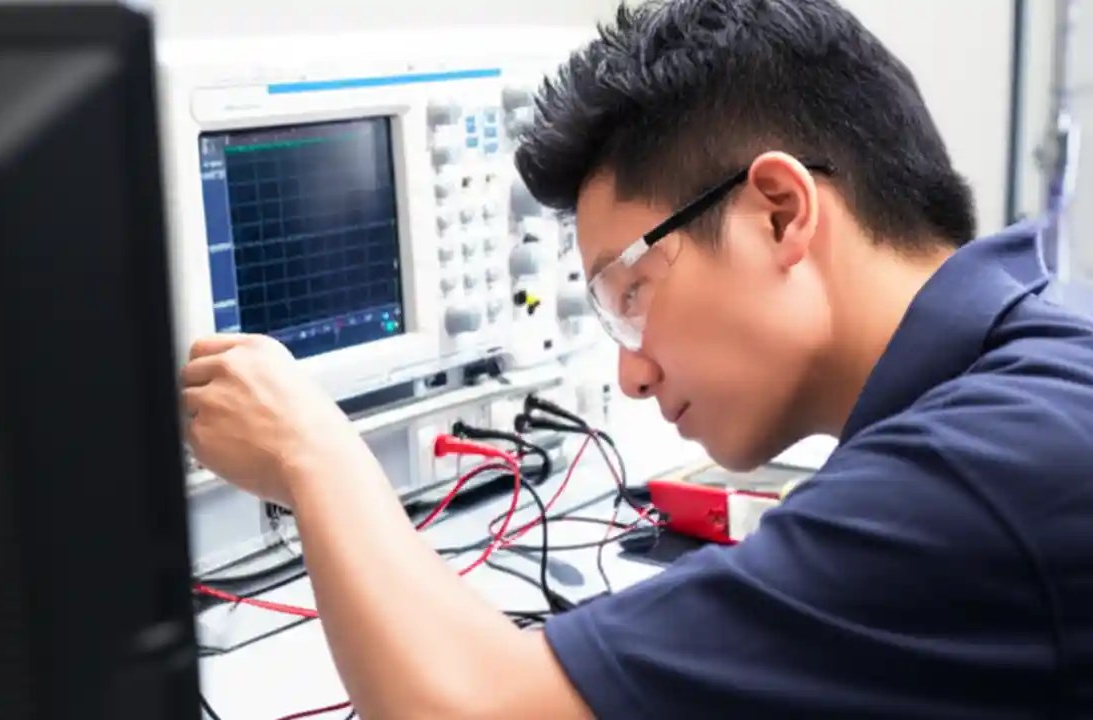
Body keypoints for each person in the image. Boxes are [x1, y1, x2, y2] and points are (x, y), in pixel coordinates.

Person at [180, 0, 1093, 716]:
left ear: (778, 210)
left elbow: (462, 712)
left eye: (629, 295)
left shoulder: (979, 473)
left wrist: (310, 451)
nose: (629, 373)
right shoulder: (1024, 381)